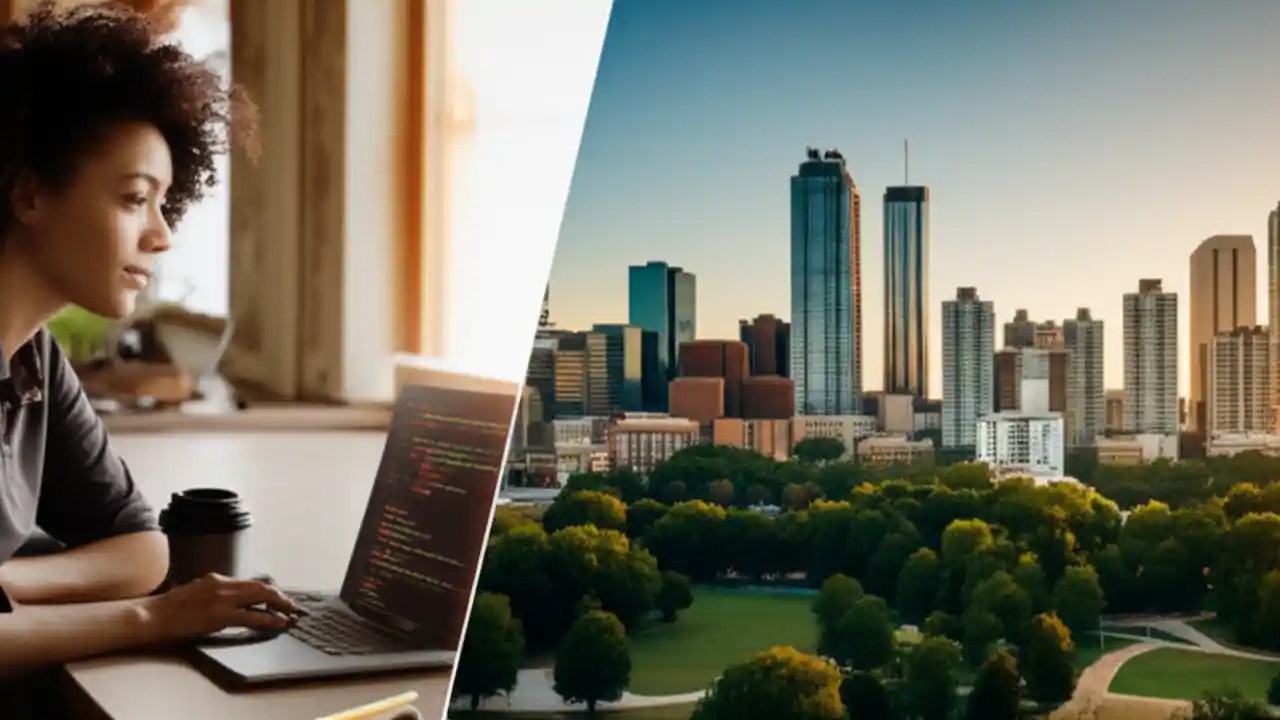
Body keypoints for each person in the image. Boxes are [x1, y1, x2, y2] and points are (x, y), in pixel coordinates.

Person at [0, 0, 302, 694]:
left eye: (166, 203)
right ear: (29, 194)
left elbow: (143, 546)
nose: (161, 235)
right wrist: (152, 619)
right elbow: (145, 587)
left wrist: (10, 581)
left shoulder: (34, 360)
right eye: (136, 198)